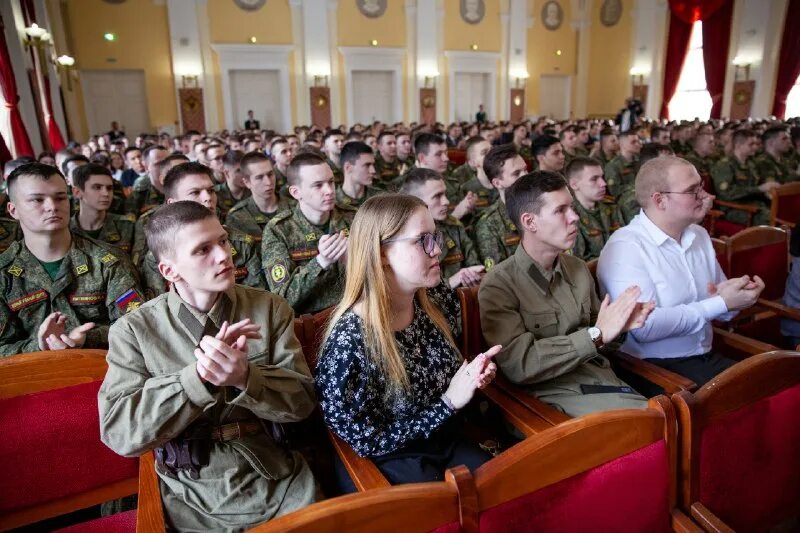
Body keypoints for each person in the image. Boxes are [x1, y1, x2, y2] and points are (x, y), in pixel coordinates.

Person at [98, 201, 316, 531]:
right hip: (192, 491)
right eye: (203, 249)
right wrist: (195, 380)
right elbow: (121, 435)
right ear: (169, 271)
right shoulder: (135, 331)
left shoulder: (268, 308)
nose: (224, 255)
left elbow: (302, 403)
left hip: (277, 478)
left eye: (223, 241)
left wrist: (246, 377)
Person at [316, 194, 498, 489]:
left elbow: (448, 383)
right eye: (422, 240)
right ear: (382, 253)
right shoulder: (349, 342)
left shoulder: (435, 301)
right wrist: (448, 403)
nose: (438, 249)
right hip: (391, 458)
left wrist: (472, 377)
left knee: (506, 493)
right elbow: (366, 442)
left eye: (435, 237)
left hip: (446, 438)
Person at [479, 171, 655, 417]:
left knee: (675, 417)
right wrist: (596, 334)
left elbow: (601, 342)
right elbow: (520, 365)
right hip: (552, 399)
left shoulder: (577, 269)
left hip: (603, 381)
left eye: (572, 208)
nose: (575, 218)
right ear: (530, 222)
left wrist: (619, 327)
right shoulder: (499, 284)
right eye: (560, 210)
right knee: (658, 426)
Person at [598, 156, 764, 389]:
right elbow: (646, 327)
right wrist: (720, 303)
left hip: (703, 355)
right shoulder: (626, 247)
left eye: (701, 187)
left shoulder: (698, 235)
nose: (704, 197)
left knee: (777, 382)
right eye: (692, 191)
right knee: (762, 392)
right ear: (660, 200)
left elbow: (720, 302)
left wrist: (738, 297)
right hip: (654, 367)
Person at [0, 163, 142, 355]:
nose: (52, 207)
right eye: (37, 200)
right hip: (29, 380)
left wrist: (88, 339)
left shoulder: (108, 262)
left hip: (102, 374)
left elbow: (138, 326)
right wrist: (39, 346)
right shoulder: (3, 274)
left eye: (59, 198)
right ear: (13, 210)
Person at [141, 162, 265, 298]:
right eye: (195, 192)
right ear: (173, 203)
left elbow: (257, 297)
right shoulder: (160, 256)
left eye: (211, 190)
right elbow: (159, 309)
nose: (207, 198)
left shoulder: (242, 242)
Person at [261, 153, 356, 314]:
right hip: (311, 324)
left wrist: (353, 261)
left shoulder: (353, 217)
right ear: (296, 192)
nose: (329, 191)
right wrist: (321, 262)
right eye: (318, 185)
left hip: (355, 311)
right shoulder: (279, 229)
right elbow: (282, 298)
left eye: (331, 182)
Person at [400, 168, 484, 288]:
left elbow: (474, 265)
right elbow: (415, 291)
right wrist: (451, 281)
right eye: (437, 196)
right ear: (416, 201)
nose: (446, 201)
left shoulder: (453, 226)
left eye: (445, 194)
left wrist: (470, 275)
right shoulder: (406, 238)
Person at [474, 144, 527, 270]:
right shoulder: (488, 224)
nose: (525, 176)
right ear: (497, 183)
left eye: (525, 169)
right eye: (516, 173)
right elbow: (498, 276)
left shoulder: (542, 208)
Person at [711, 129, 778, 226]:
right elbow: (726, 193)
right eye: (751, 144)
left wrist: (767, 191)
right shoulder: (725, 165)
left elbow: (758, 185)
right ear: (738, 145)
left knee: (784, 214)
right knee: (770, 221)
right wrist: (759, 189)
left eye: (755, 143)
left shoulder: (750, 164)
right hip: (734, 208)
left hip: (754, 204)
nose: (755, 147)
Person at [70, 163, 136, 254]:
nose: (106, 193)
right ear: (77, 192)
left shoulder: (128, 226)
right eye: (97, 187)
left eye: (109, 188)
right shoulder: (65, 231)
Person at [567, 157, 624, 261]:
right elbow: (578, 262)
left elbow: (627, 240)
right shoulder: (570, 217)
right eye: (594, 179)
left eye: (602, 177)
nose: (603, 184)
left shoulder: (611, 205)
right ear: (574, 184)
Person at [225, 151, 291, 240]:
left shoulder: (294, 207)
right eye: (259, 177)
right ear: (247, 183)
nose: (268, 182)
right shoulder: (237, 217)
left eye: (270, 174)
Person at [336, 141, 381, 208]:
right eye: (367, 165)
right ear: (348, 167)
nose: (373, 171)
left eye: (373, 165)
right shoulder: (333, 203)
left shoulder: (380, 198)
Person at [125, 145, 168, 216]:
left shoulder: (180, 185)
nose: (166, 167)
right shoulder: (139, 193)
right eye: (159, 164)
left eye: (168, 162)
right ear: (146, 166)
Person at [604, 129, 641, 199]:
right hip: (626, 200)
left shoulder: (640, 161)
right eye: (633, 142)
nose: (638, 144)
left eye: (638, 141)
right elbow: (614, 190)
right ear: (622, 144)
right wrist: (636, 186)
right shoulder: (613, 166)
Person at [215, 150, 251, 217]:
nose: (244, 174)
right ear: (227, 173)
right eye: (238, 171)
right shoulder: (216, 194)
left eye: (245, 169)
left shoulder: (253, 190)